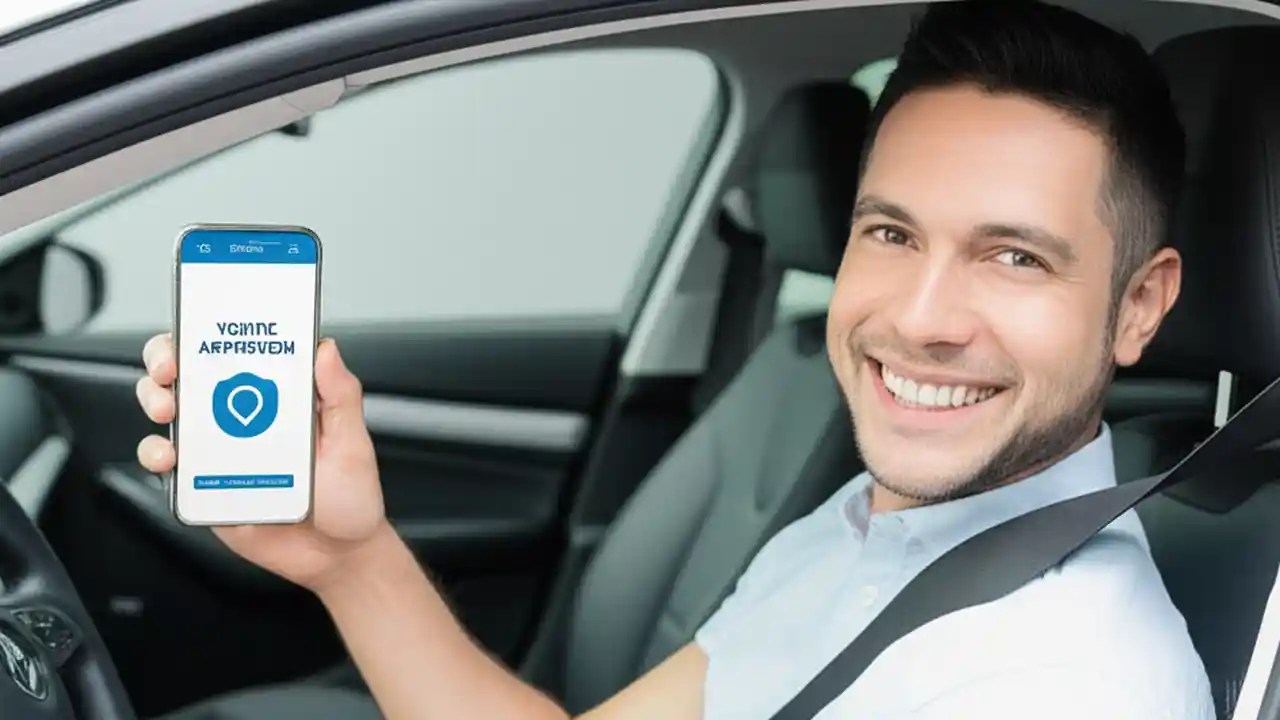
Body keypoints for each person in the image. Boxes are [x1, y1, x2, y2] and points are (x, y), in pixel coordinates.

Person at [134, 0, 1215, 717]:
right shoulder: (857, 531)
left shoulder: (1073, 681)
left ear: (1137, 308)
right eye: (889, 233)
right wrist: (348, 557)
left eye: (1012, 257)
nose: (923, 316)